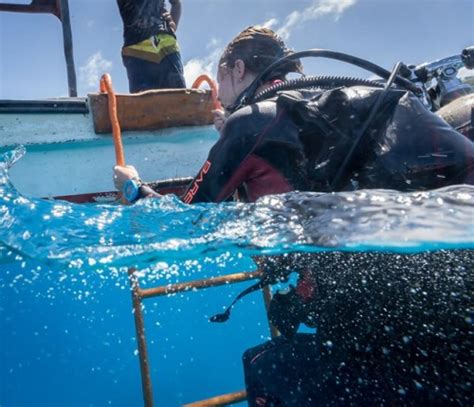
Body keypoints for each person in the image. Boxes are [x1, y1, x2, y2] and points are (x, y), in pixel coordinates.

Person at [113, 26, 474, 405]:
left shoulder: (250, 123)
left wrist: (134, 189)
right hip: (444, 301)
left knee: (266, 367)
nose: (218, 94)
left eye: (220, 78)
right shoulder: (344, 104)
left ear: (237, 69)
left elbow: (186, 221)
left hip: (377, 324)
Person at [117, 0, 186, 93]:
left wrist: (173, 25)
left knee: (179, 100)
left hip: (166, 47)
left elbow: (176, 3)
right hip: (136, 51)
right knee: (144, 105)